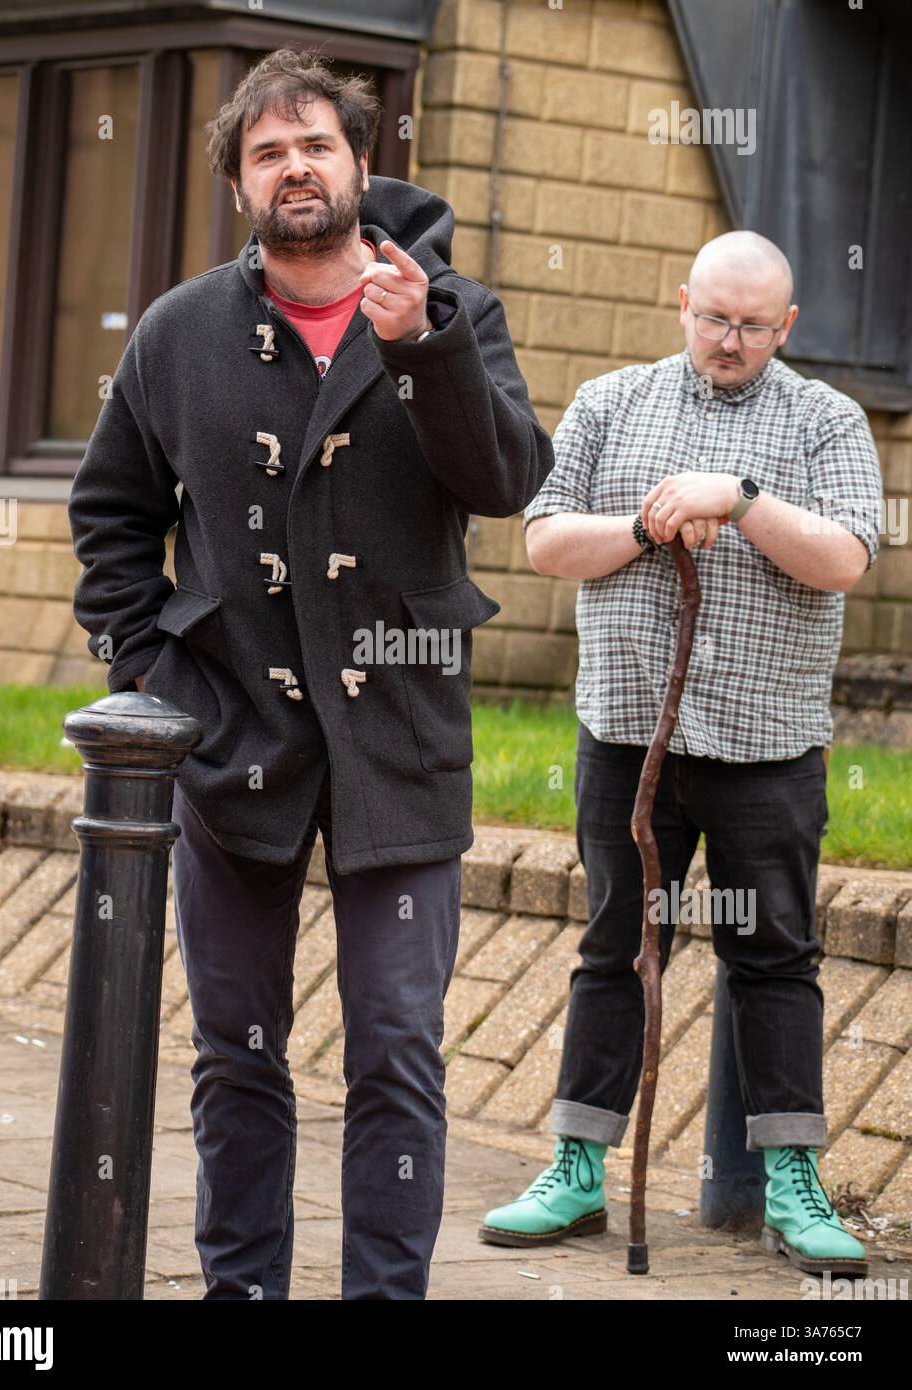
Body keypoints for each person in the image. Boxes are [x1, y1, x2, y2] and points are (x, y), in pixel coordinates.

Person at [67, 47, 553, 1300]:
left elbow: (506, 483)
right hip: (227, 742)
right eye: (266, 152)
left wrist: (424, 349)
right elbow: (111, 515)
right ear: (241, 183)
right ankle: (243, 1292)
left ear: (358, 162)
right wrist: (149, 669)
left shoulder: (448, 309)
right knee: (234, 1051)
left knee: (396, 1048)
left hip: (399, 738)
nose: (295, 167)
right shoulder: (179, 332)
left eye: (315, 145)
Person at [478, 231, 883, 1278]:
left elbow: (843, 558)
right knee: (615, 947)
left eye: (752, 325)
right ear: (681, 305)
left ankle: (791, 1183)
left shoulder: (827, 419)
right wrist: (656, 521)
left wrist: (738, 501)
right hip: (627, 737)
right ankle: (574, 1166)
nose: (729, 340)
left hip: (767, 744)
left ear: (784, 326)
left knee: (776, 959)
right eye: (713, 317)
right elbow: (544, 540)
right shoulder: (612, 401)